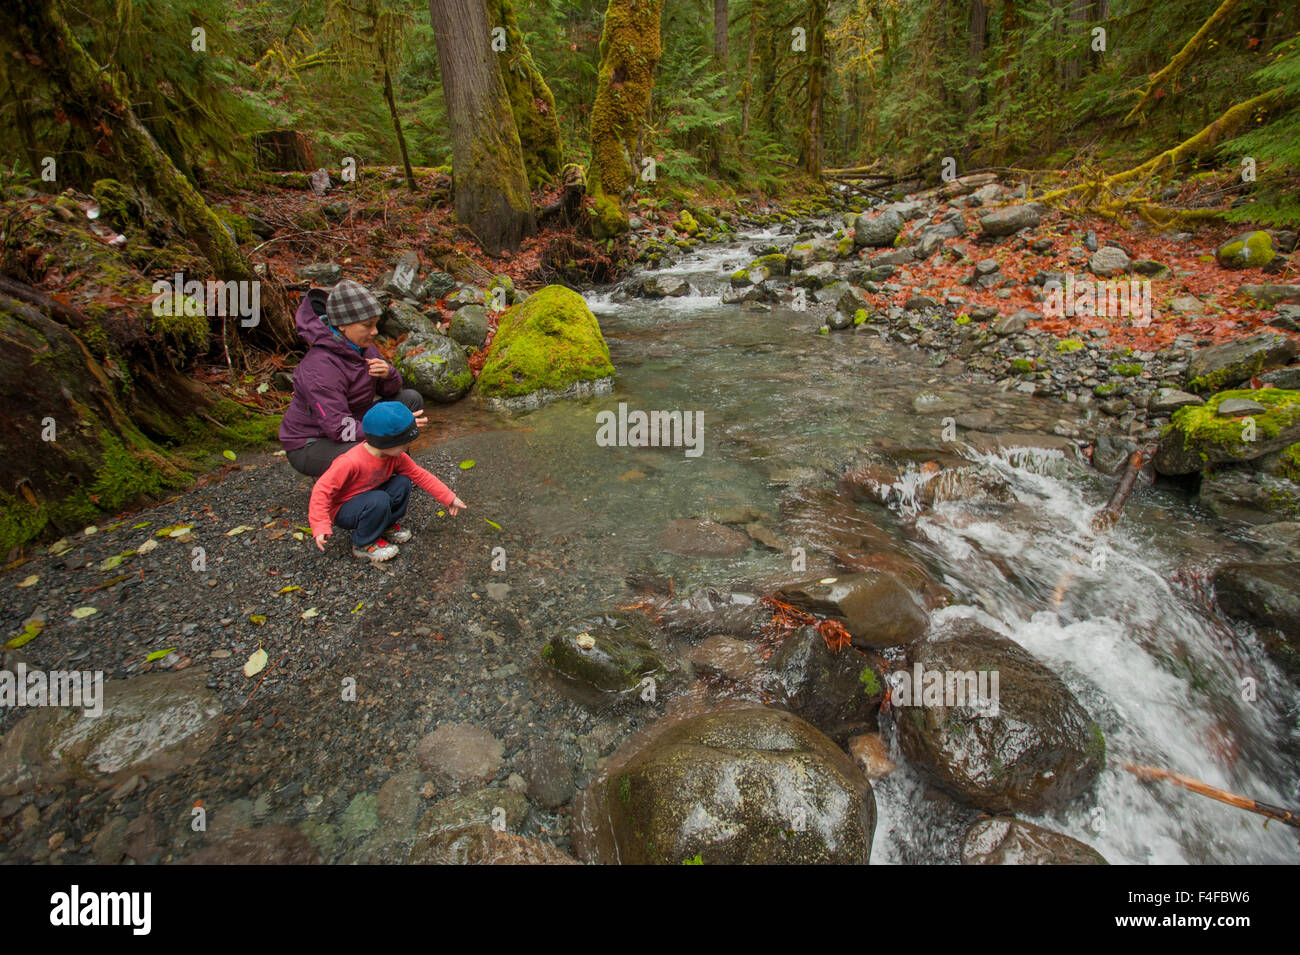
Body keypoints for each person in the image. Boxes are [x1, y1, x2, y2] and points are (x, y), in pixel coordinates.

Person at [279, 279, 428, 478]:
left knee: (410, 400)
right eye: (367, 326)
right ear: (342, 326)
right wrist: (391, 431)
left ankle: (395, 469)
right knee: (365, 451)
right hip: (313, 442)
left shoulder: (364, 346)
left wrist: (388, 374)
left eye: (375, 324)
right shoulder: (320, 367)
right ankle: (365, 480)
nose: (374, 332)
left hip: (355, 418)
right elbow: (339, 428)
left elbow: (390, 391)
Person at [309, 401, 467, 562]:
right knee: (379, 499)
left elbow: (420, 475)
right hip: (345, 509)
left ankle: (385, 526)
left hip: (371, 498)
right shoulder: (350, 461)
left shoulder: (396, 457)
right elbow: (322, 489)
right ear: (385, 443)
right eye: (403, 445)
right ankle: (363, 544)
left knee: (403, 482)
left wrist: (449, 497)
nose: (406, 448)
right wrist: (320, 524)